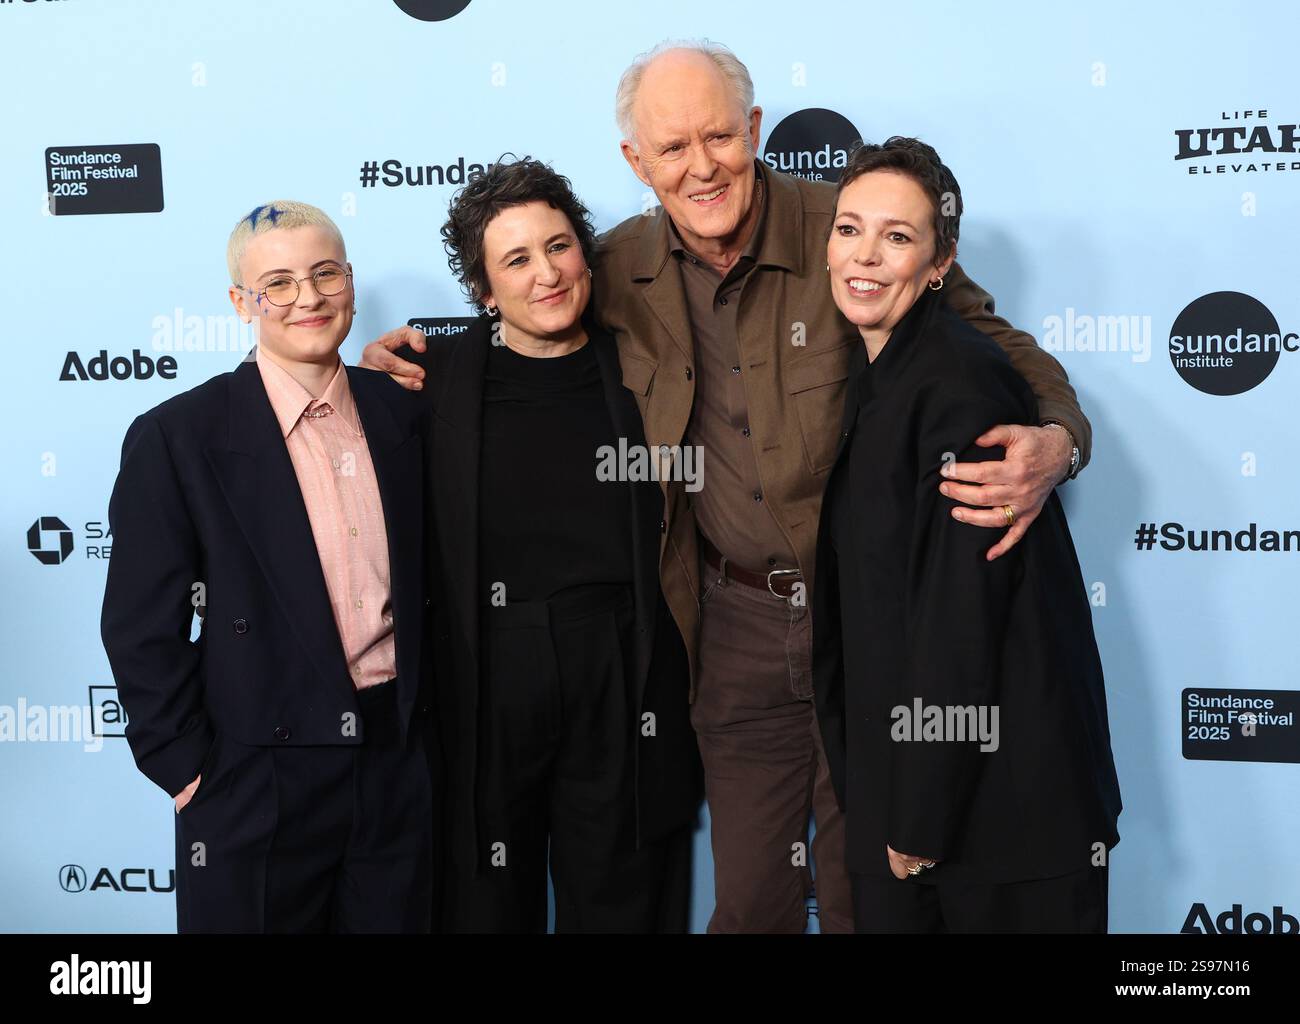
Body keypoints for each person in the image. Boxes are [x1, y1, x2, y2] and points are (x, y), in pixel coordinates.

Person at [361, 40, 1090, 934]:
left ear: (753, 129)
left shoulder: (851, 228)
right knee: (751, 903)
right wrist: (414, 374)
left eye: (718, 136)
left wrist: (1057, 440)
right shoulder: (610, 267)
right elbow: (528, 334)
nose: (700, 166)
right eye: (671, 148)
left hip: (869, 624)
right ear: (636, 162)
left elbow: (997, 345)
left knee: (879, 892)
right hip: (733, 631)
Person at [100, 201, 439, 933]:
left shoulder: (404, 412)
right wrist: (190, 773)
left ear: (351, 280)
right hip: (253, 774)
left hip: (396, 763)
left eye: (325, 274)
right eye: (278, 283)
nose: (308, 298)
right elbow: (139, 627)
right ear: (241, 303)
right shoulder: (178, 436)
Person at [813, 137, 1122, 933]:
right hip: (933, 797)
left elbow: (960, 620)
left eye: (898, 236)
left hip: (996, 818)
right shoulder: (887, 369)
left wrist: (917, 822)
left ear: (941, 262)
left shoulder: (959, 384)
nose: (866, 256)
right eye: (849, 229)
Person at [402, 157, 700, 932]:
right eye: (517, 259)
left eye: (559, 246)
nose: (547, 274)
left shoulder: (641, 366)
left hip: (622, 667)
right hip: (487, 674)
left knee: (622, 900)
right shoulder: (434, 388)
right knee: (486, 902)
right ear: (481, 287)